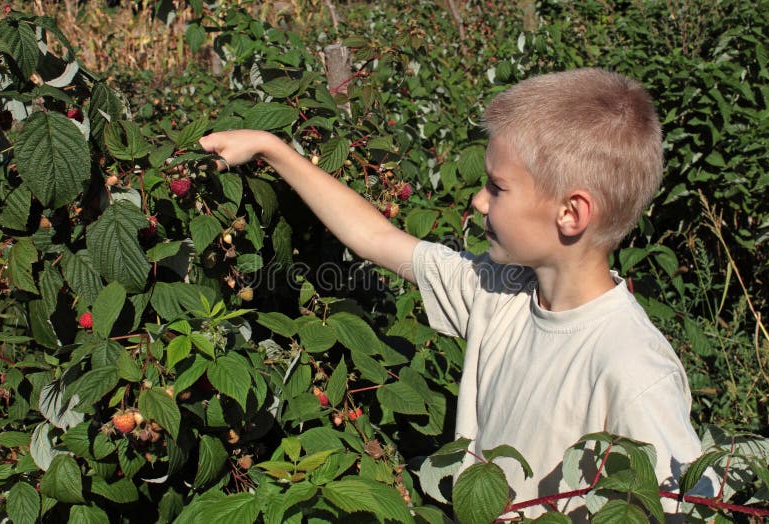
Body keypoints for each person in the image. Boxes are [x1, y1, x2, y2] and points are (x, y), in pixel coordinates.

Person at [199, 68, 705, 519]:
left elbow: (679, 507)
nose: (477, 198)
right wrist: (272, 148)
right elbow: (377, 238)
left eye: (498, 187)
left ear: (571, 213)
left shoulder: (632, 369)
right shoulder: (500, 291)